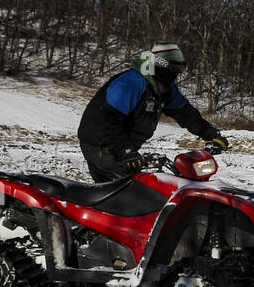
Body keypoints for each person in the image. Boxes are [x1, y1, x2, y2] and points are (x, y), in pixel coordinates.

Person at [77, 42, 229, 182]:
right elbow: (109, 120)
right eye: (173, 69)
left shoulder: (165, 89)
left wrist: (211, 134)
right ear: (161, 66)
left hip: (122, 145)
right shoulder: (131, 82)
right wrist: (126, 150)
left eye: (179, 70)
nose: (175, 75)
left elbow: (186, 114)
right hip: (100, 144)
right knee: (138, 191)